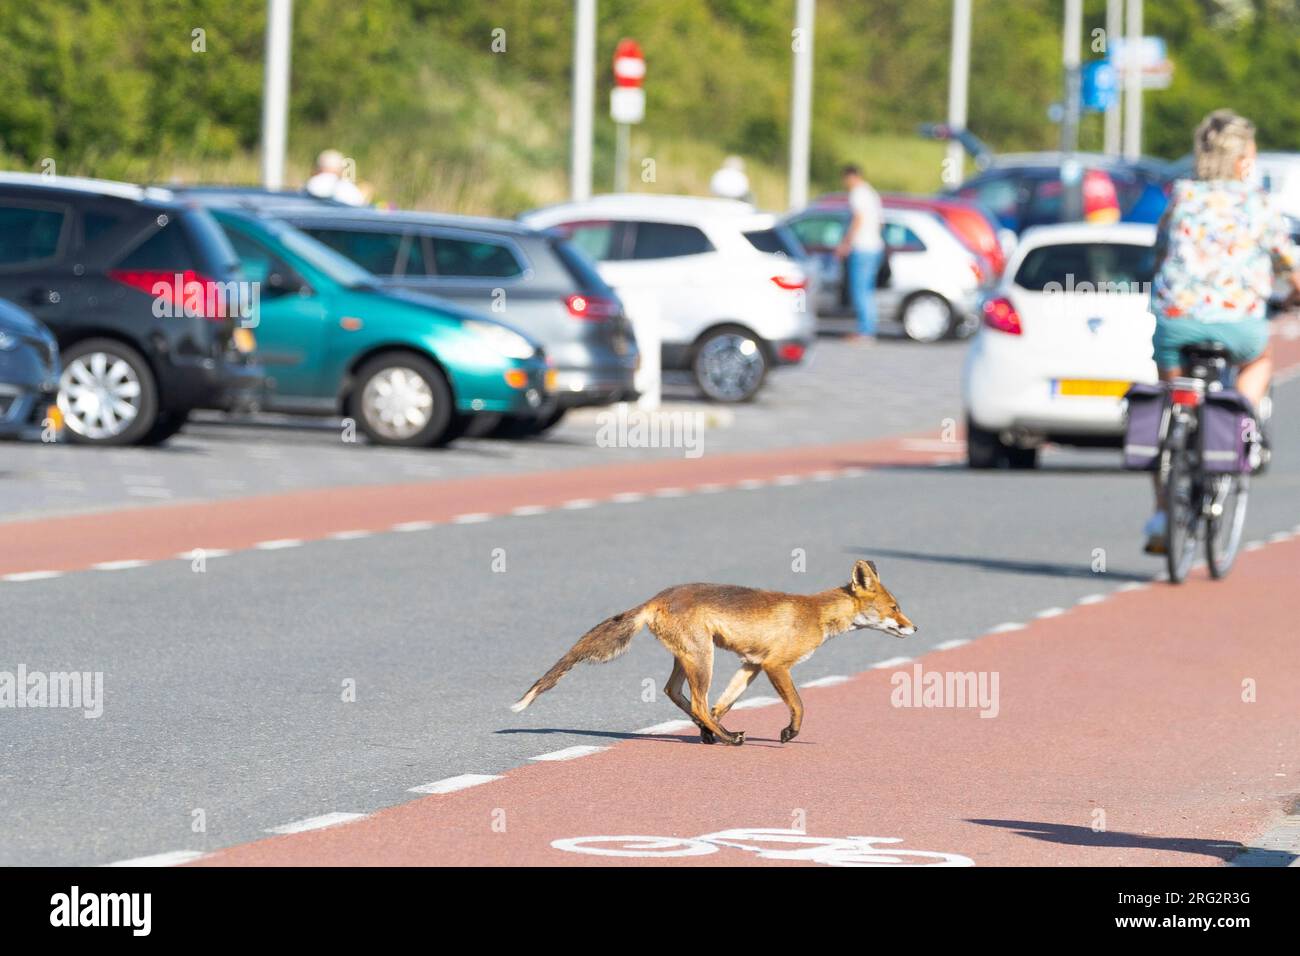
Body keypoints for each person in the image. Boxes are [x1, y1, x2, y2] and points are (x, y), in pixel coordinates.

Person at [1142, 109, 1300, 553]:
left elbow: (1158, 252)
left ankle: (1160, 515)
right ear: (1244, 159)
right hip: (1239, 326)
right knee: (1260, 359)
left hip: (1175, 323)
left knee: (1168, 406)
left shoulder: (1183, 195)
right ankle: (1240, 419)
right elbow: (1289, 263)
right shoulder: (1257, 202)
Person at [834, 164, 884, 341]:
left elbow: (858, 218)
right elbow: (880, 222)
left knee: (860, 291)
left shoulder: (857, 194)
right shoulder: (871, 193)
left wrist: (845, 243)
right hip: (875, 246)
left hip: (862, 248)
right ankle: (867, 328)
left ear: (850, 177)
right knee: (867, 290)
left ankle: (865, 331)